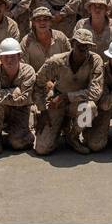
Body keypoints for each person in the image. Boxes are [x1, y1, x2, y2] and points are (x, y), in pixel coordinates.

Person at [32, 28, 104, 156]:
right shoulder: (57, 61)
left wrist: (67, 97)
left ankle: (73, 136)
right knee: (42, 149)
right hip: (57, 101)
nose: (83, 49)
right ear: (72, 44)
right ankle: (60, 126)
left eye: (87, 46)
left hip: (76, 102)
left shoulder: (95, 61)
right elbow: (38, 83)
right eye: (79, 45)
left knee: (90, 108)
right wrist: (42, 110)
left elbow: (95, 92)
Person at [0, 38, 37, 154]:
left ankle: (12, 137)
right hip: (1, 111)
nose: (9, 61)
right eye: (5, 57)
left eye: (13, 56)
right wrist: (15, 91)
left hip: (21, 110)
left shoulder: (28, 71)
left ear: (19, 57)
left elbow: (25, 99)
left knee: (18, 143)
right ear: (0, 58)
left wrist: (2, 95)